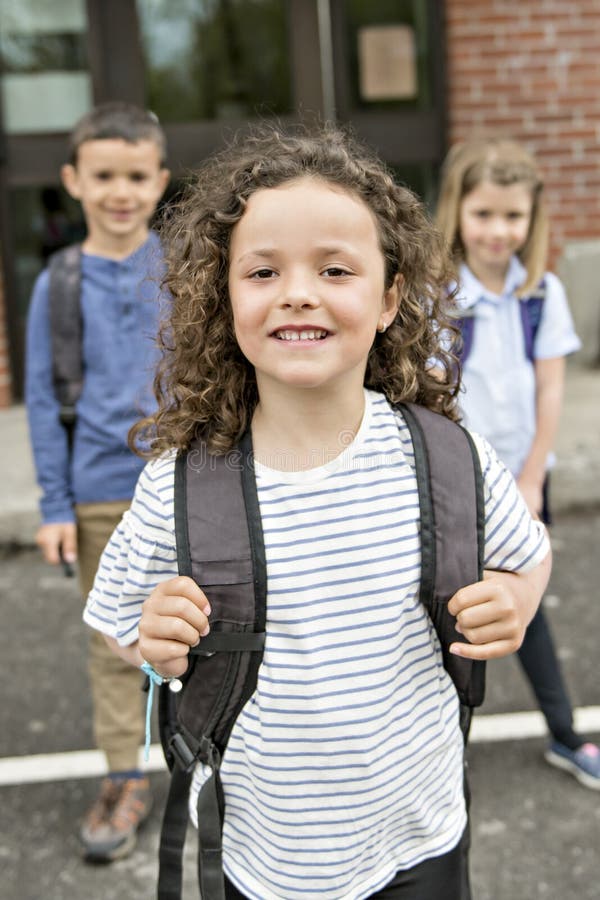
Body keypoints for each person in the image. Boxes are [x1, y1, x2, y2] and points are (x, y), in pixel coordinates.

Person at [83, 125, 550, 899]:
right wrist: (156, 643)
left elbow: (528, 556)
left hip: (422, 840)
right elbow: (116, 618)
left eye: (334, 268)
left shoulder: (445, 457)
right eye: (263, 271)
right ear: (223, 295)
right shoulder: (180, 483)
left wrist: (517, 604)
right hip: (262, 860)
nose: (298, 291)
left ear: (390, 295)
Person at [25, 101, 171, 860]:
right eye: (105, 175)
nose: (122, 191)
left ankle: (230, 763)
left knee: (211, 629)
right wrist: (54, 505)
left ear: (160, 181)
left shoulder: (185, 270)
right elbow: (46, 403)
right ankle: (125, 776)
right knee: (115, 640)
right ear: (74, 181)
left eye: (137, 176)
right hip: (100, 493)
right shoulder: (58, 283)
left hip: (184, 486)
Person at [435, 137, 600, 790]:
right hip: (454, 483)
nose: (499, 231)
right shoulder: (438, 295)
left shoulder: (542, 294)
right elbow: (430, 396)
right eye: (484, 214)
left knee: (524, 607)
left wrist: (532, 477)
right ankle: (440, 750)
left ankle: (565, 736)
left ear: (532, 220)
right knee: (446, 615)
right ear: (457, 211)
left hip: (522, 480)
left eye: (513, 216)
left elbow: (550, 389)